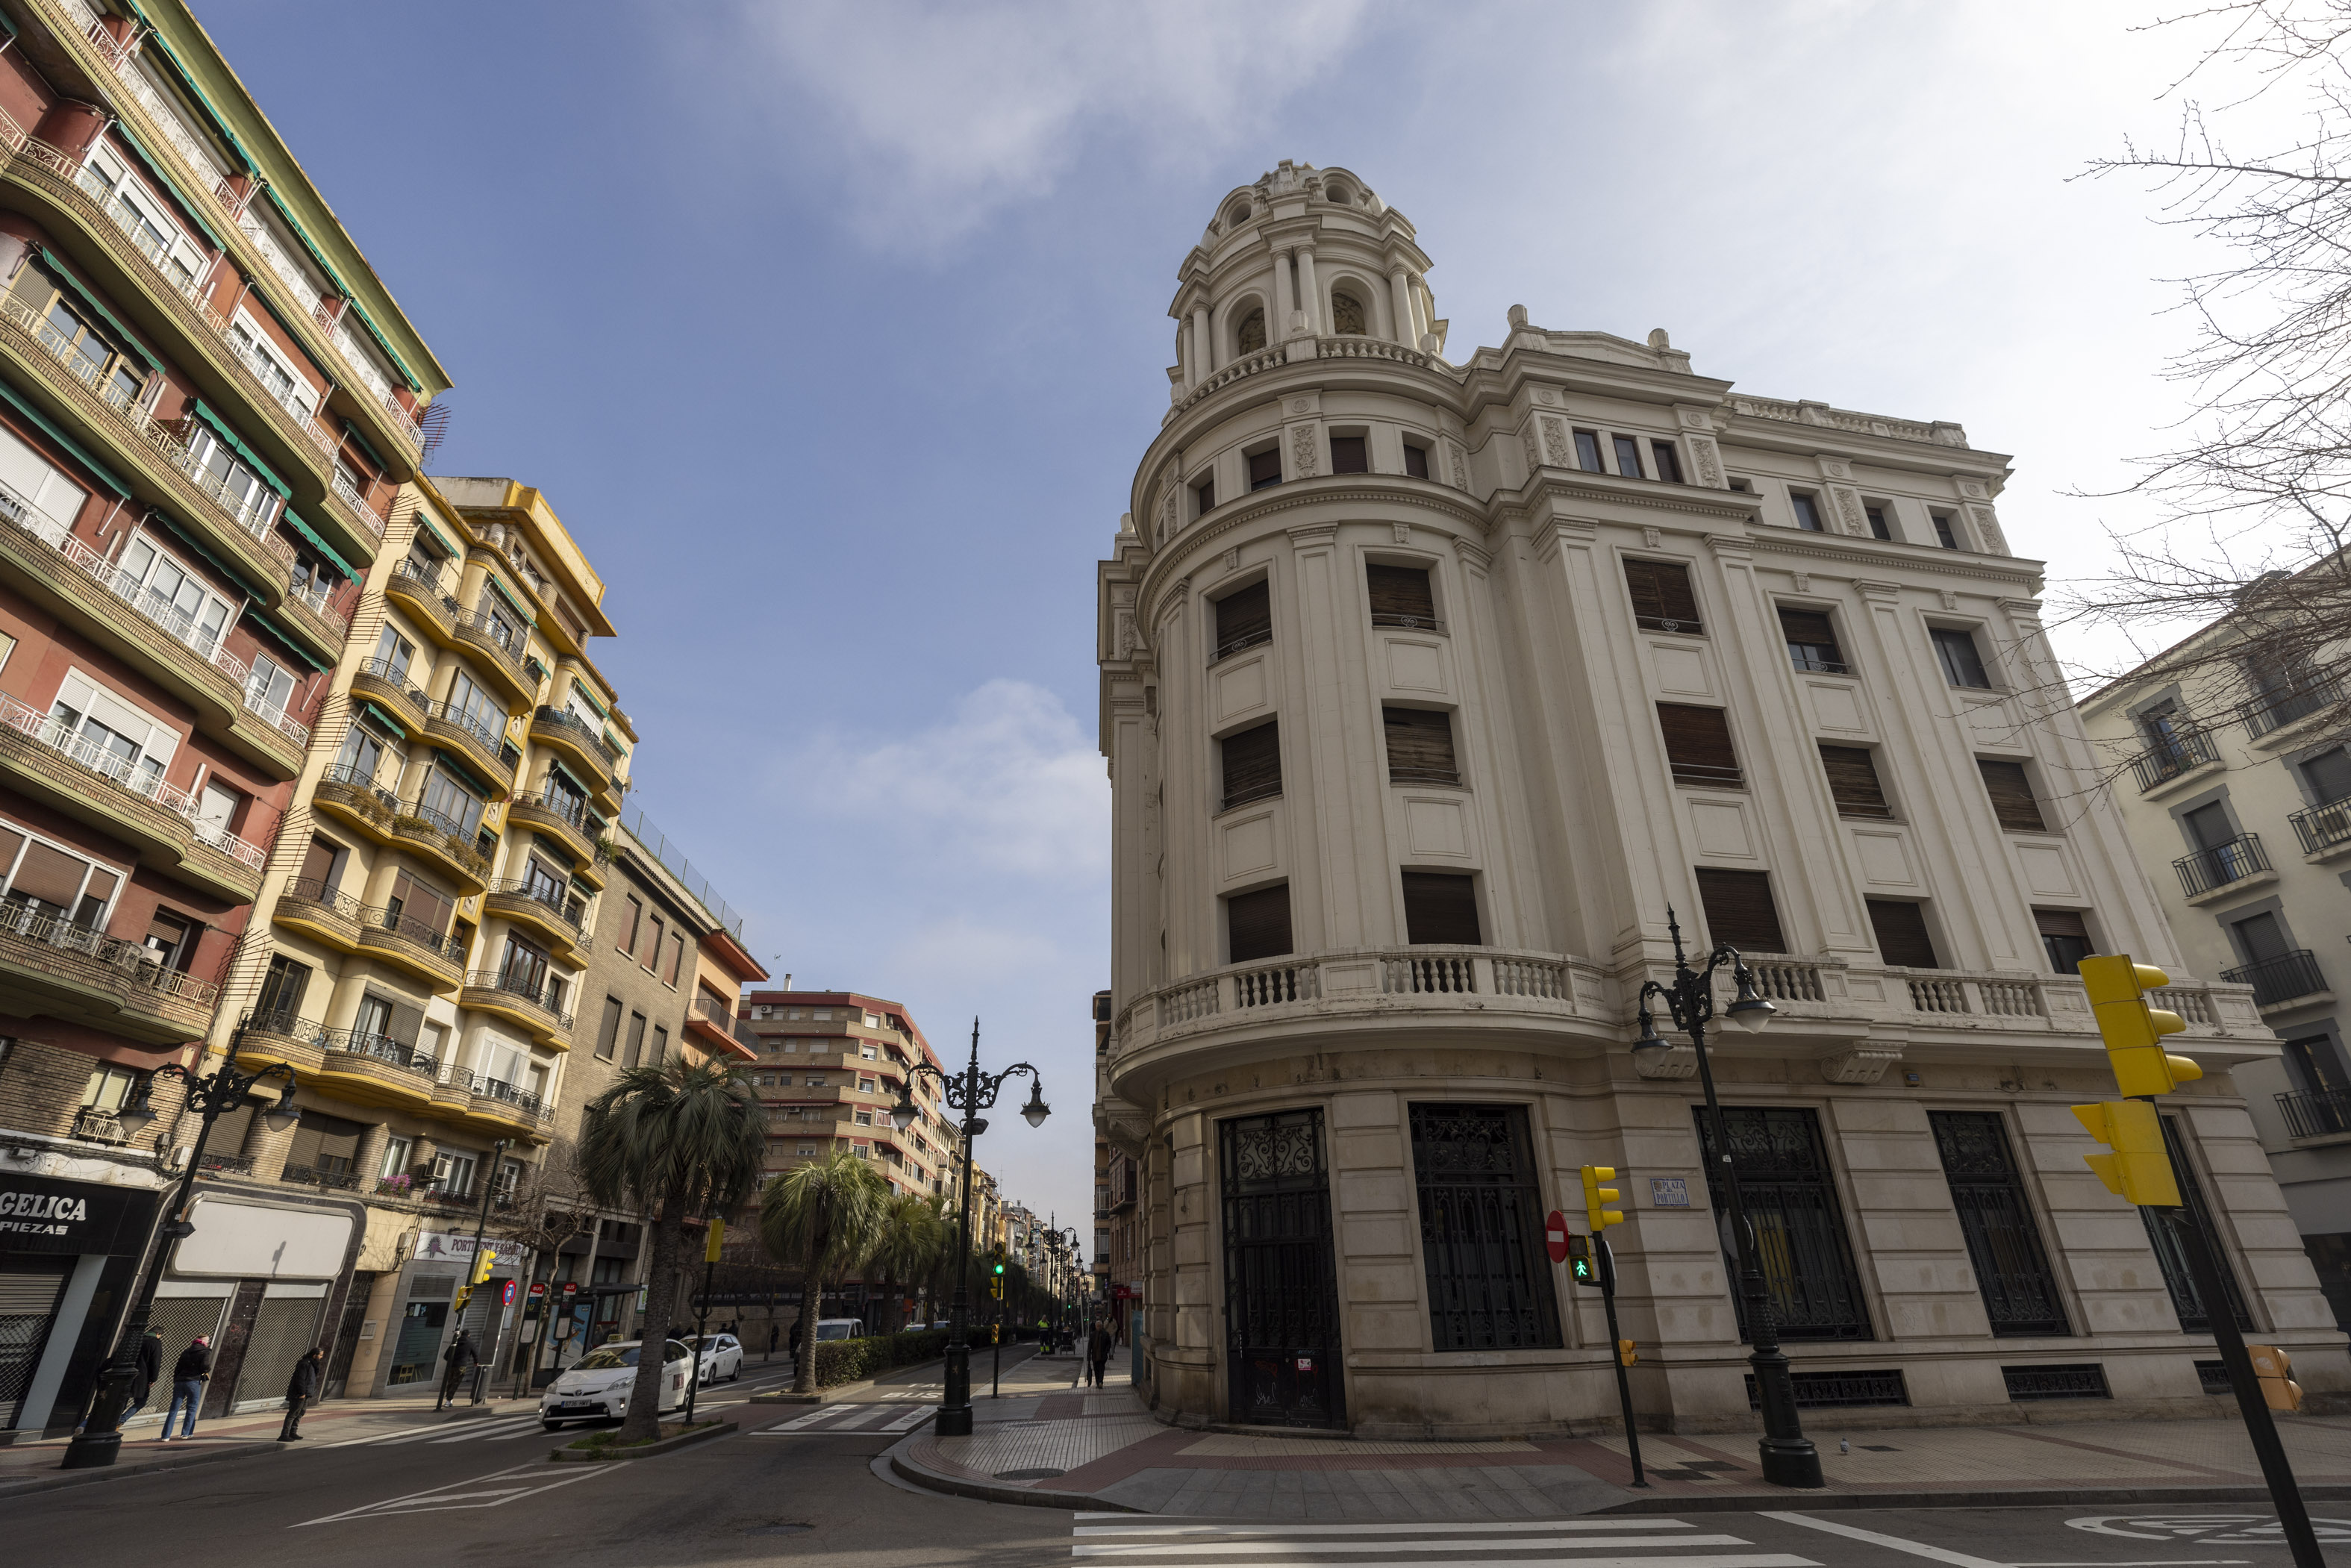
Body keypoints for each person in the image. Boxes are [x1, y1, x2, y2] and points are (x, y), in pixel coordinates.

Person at [161, 1335, 210, 1440]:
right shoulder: (205, 1352)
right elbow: (205, 1366)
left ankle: (166, 1436)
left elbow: (178, 1367)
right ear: (204, 1342)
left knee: (174, 1409)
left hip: (180, 1381)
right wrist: (205, 1371)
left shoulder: (186, 1351)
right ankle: (186, 1433)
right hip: (193, 1381)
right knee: (192, 1407)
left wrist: (176, 1380)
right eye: (208, 1341)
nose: (208, 1342)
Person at [279, 1346, 324, 1440]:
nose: (321, 1357)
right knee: (293, 1413)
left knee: (301, 1413)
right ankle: (284, 1435)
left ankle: (293, 1432)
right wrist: (302, 1393)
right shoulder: (305, 1364)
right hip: (299, 1394)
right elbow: (300, 1379)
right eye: (320, 1355)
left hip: (306, 1393)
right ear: (315, 1355)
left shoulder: (312, 1365)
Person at [127, 1327, 163, 1419]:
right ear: (158, 1334)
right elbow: (155, 1362)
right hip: (142, 1377)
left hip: (127, 1374)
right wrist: (153, 1379)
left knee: (122, 1400)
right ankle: (120, 1420)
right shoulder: (155, 1343)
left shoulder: (137, 1340)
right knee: (141, 1402)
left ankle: (114, 1421)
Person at [437, 1328, 476, 1411]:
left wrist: (451, 1361)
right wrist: (476, 1362)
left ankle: (449, 1399)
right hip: (462, 1366)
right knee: (455, 1383)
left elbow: (446, 1355)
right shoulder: (470, 1343)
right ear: (469, 1335)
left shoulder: (455, 1342)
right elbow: (475, 1354)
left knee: (450, 1382)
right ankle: (449, 1400)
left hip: (452, 1365)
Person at [1087, 1322, 1111, 1389]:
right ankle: (1098, 1383)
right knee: (1096, 1370)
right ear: (1095, 1326)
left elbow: (1109, 1344)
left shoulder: (1105, 1334)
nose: (1099, 1327)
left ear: (1102, 1326)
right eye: (1098, 1326)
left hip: (1102, 1356)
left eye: (1100, 1326)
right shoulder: (1093, 1335)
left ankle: (1100, 1382)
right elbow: (1090, 1346)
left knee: (1101, 1369)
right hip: (1095, 1356)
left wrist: (1106, 1351)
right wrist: (1088, 1357)